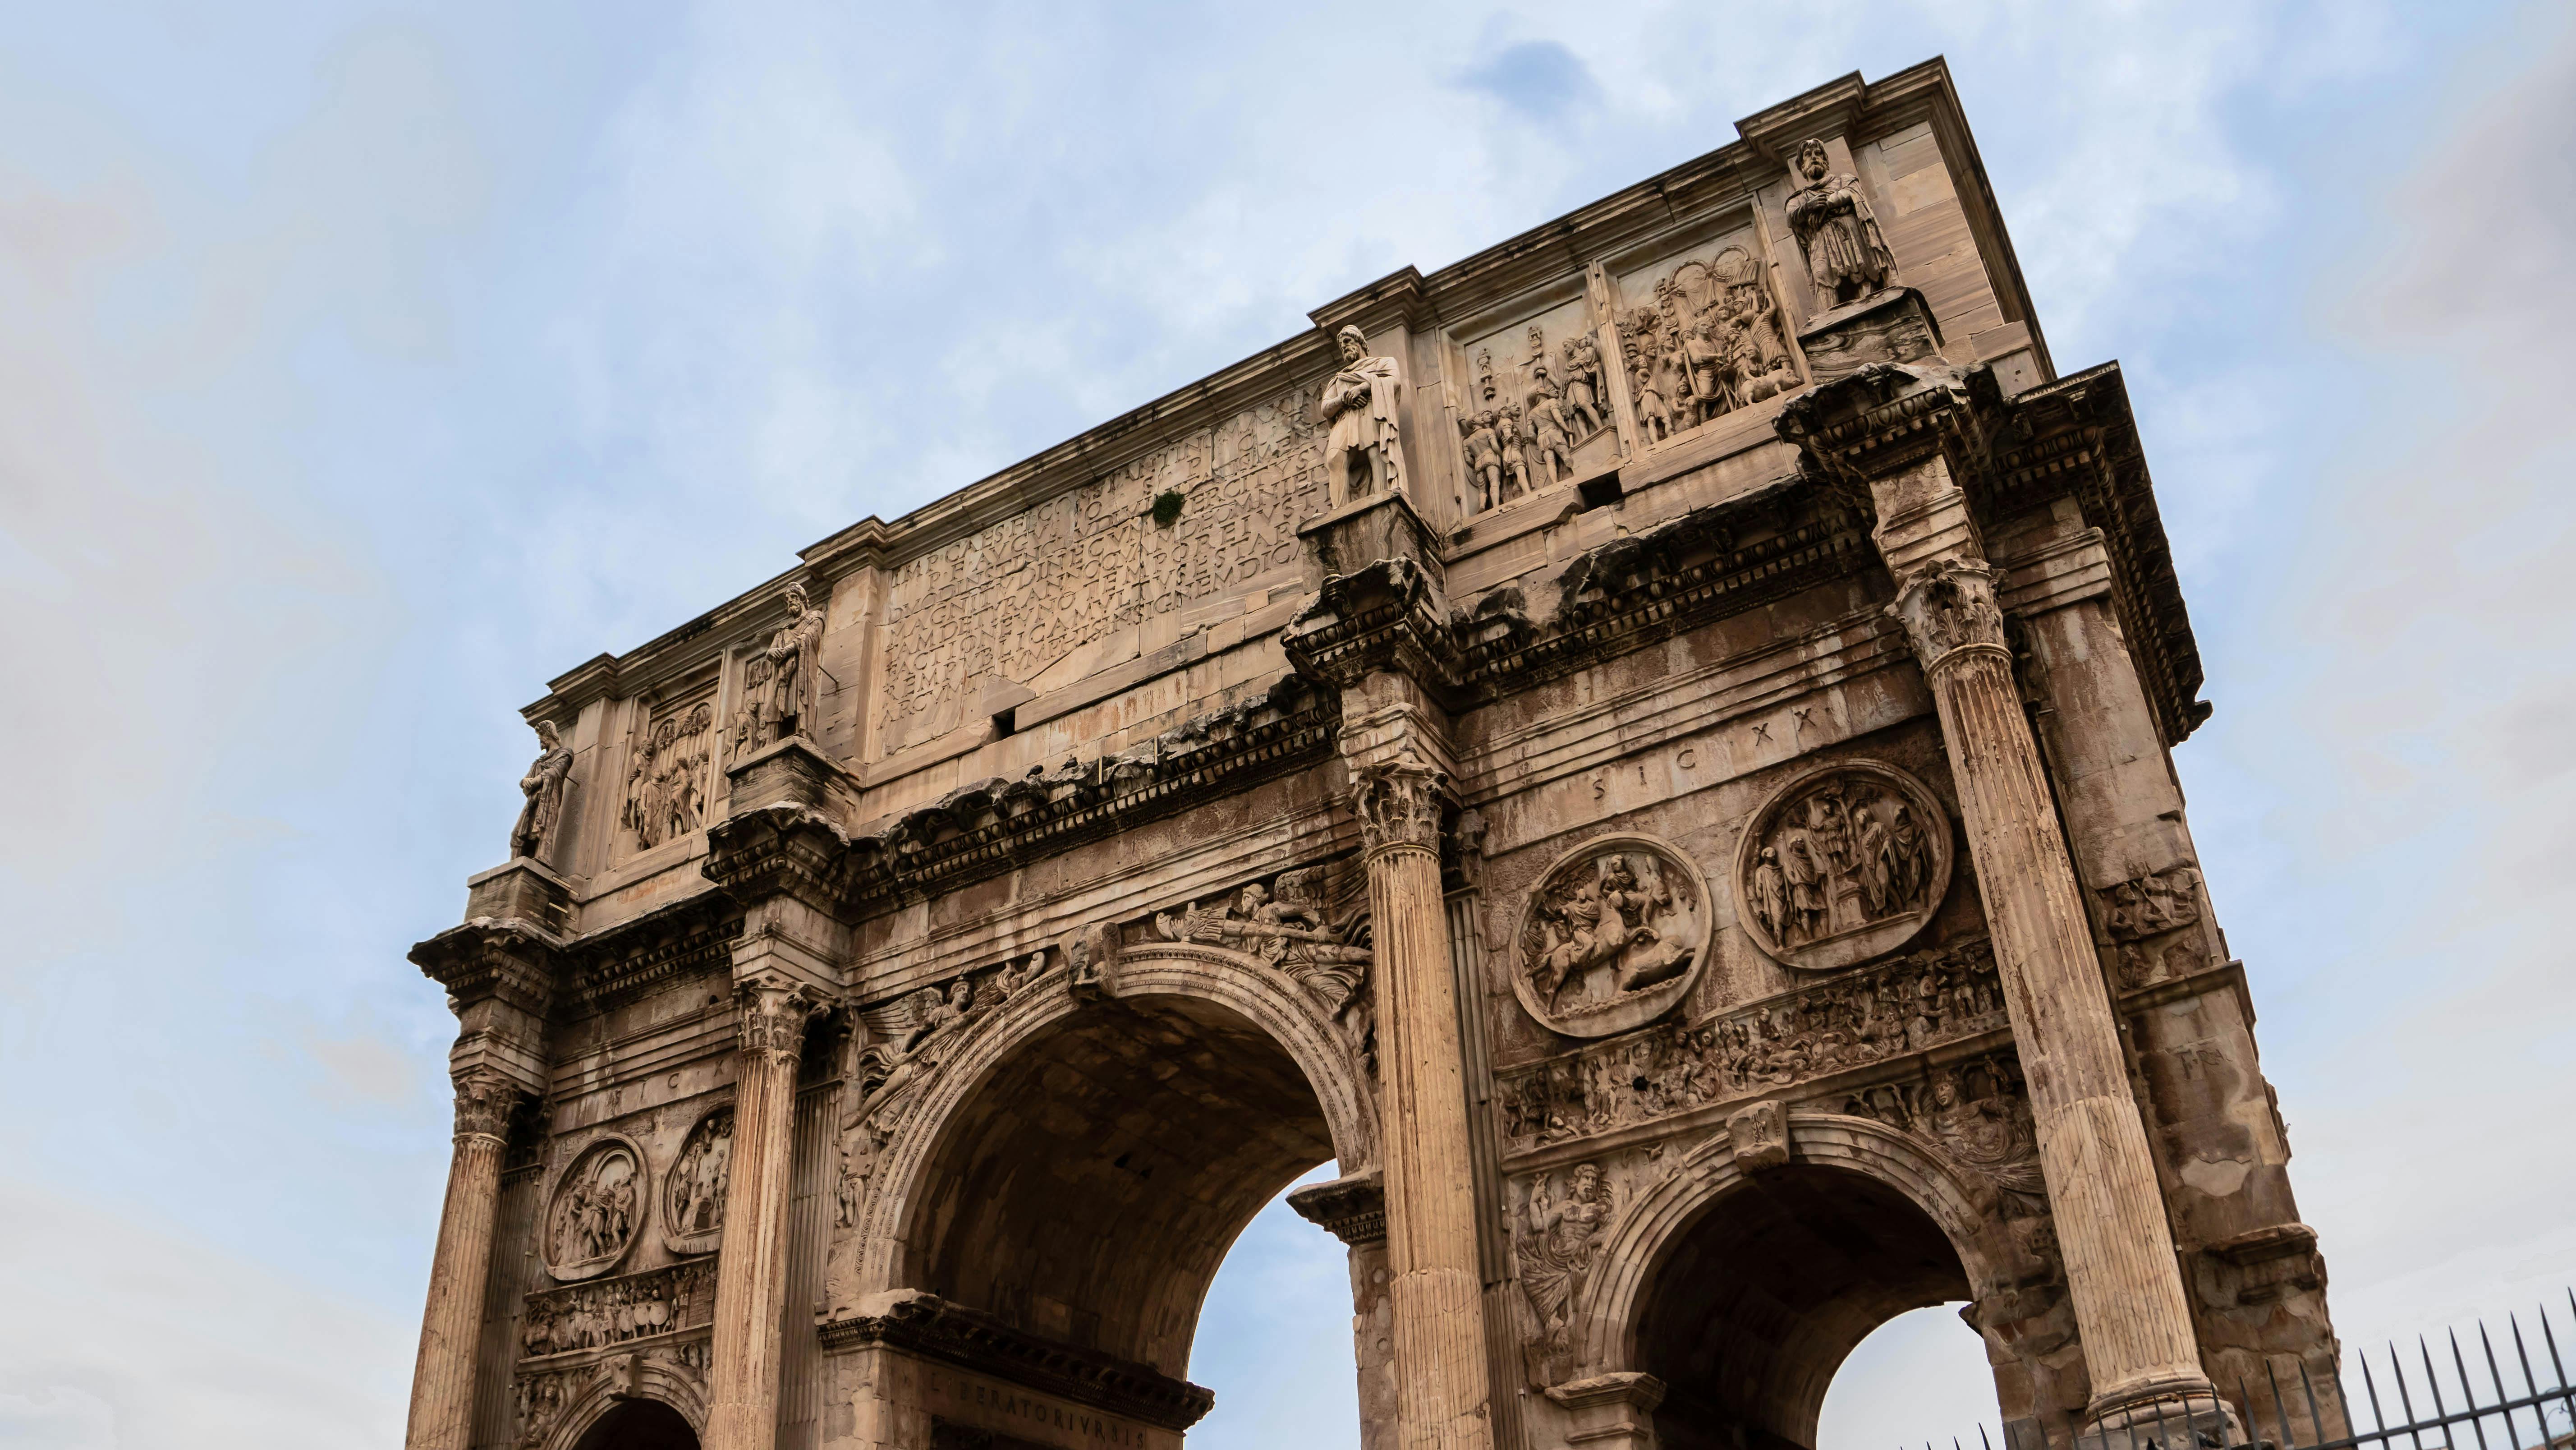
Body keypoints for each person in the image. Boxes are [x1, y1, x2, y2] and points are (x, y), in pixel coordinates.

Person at [1784, 138, 1897, 308]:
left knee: (1862, 268)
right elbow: (1791, 217)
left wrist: (1826, 205)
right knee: (1822, 275)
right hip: (1820, 239)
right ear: (1801, 166)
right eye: (1808, 155)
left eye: (1818, 153)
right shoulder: (1798, 198)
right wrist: (1810, 206)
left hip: (1850, 232)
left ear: (1826, 160)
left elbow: (1852, 192)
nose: (1814, 157)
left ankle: (1875, 307)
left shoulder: (1844, 180)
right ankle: (1827, 317)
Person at [1318, 323, 1405, 506]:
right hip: (1345, 419)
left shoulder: (1383, 363)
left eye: (1348, 342)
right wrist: (1344, 399)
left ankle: (1383, 500)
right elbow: (1326, 408)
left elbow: (1395, 382)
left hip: (1372, 411)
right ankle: (1339, 510)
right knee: (1335, 459)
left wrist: (1365, 387)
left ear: (1360, 342)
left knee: (1377, 455)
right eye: (1342, 346)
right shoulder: (1340, 378)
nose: (1345, 348)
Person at [512, 720, 574, 860]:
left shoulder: (565, 753)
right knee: (517, 836)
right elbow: (527, 780)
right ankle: (516, 866)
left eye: (541, 736)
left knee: (543, 831)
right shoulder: (540, 761)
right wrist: (525, 781)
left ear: (548, 735)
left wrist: (535, 781)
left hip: (548, 799)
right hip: (533, 800)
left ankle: (541, 860)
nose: (540, 739)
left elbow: (554, 772)